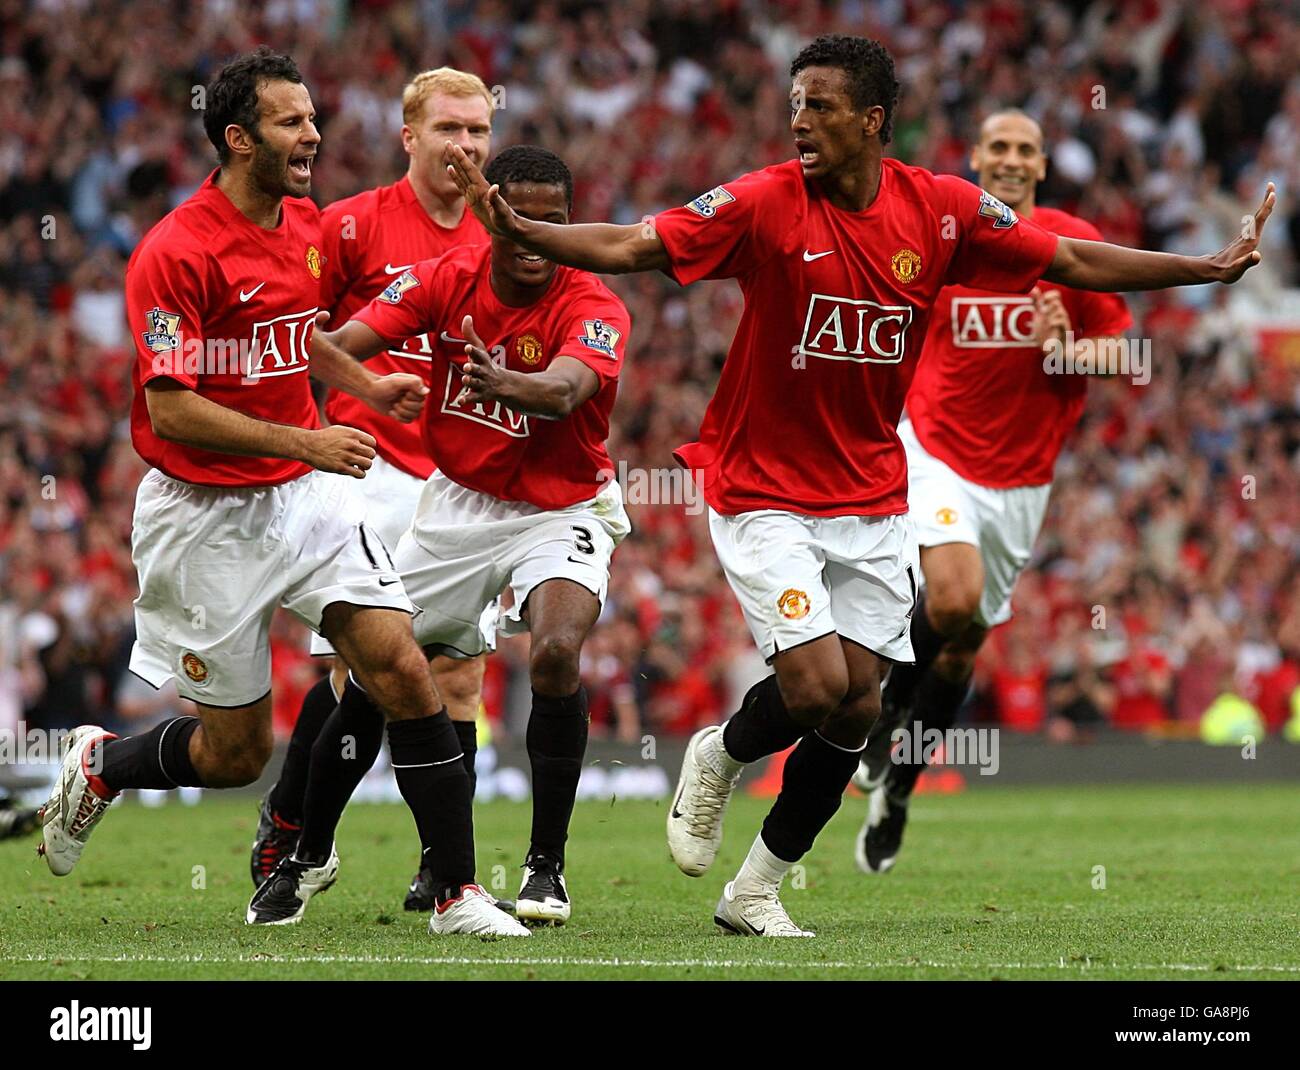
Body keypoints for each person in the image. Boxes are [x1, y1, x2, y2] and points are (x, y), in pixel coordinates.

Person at [445, 34, 1274, 936]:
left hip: (872, 491)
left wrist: (1201, 269)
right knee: (811, 686)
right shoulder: (764, 201)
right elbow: (640, 243)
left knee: (860, 704)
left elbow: (1067, 263)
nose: (799, 121)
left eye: (820, 106)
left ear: (872, 121)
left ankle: (756, 887)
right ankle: (720, 753)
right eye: (795, 103)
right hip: (761, 486)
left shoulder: (944, 211)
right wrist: (529, 231)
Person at [37, 47, 525, 938]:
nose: (313, 133)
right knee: (235, 755)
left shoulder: (304, 225)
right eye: (290, 121)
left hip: (306, 496)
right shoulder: (175, 251)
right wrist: (309, 435)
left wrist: (366, 386)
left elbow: (295, 336)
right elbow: (172, 409)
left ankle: (457, 892)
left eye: (310, 116)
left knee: (404, 667)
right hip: (203, 516)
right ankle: (106, 764)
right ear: (237, 139)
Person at [247, 146, 630, 927]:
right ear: (489, 214)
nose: (532, 237)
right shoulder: (443, 279)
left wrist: (508, 384)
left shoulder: (594, 302)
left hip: (562, 508)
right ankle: (306, 853)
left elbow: (565, 389)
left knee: (555, 651)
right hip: (456, 506)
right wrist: (318, 379)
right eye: (516, 219)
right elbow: (341, 343)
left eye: (551, 223)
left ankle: (545, 869)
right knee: (372, 674)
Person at [851, 109, 1134, 874]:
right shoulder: (949, 234)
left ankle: (900, 787)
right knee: (950, 599)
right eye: (998, 147)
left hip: (1022, 482)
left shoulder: (1070, 244)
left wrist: (1067, 350)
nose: (1010, 159)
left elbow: (1127, 353)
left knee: (963, 644)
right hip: (937, 449)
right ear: (976, 158)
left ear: (1041, 165)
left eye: (1024, 150)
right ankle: (876, 721)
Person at [251, 67, 497, 915]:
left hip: (462, 482)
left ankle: (439, 868)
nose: (465, 147)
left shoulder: (503, 233)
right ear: (411, 137)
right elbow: (292, 333)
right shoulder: (350, 225)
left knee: (456, 677)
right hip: (367, 471)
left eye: (478, 132)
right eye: (449, 130)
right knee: (365, 672)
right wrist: (323, 420)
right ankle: (296, 829)